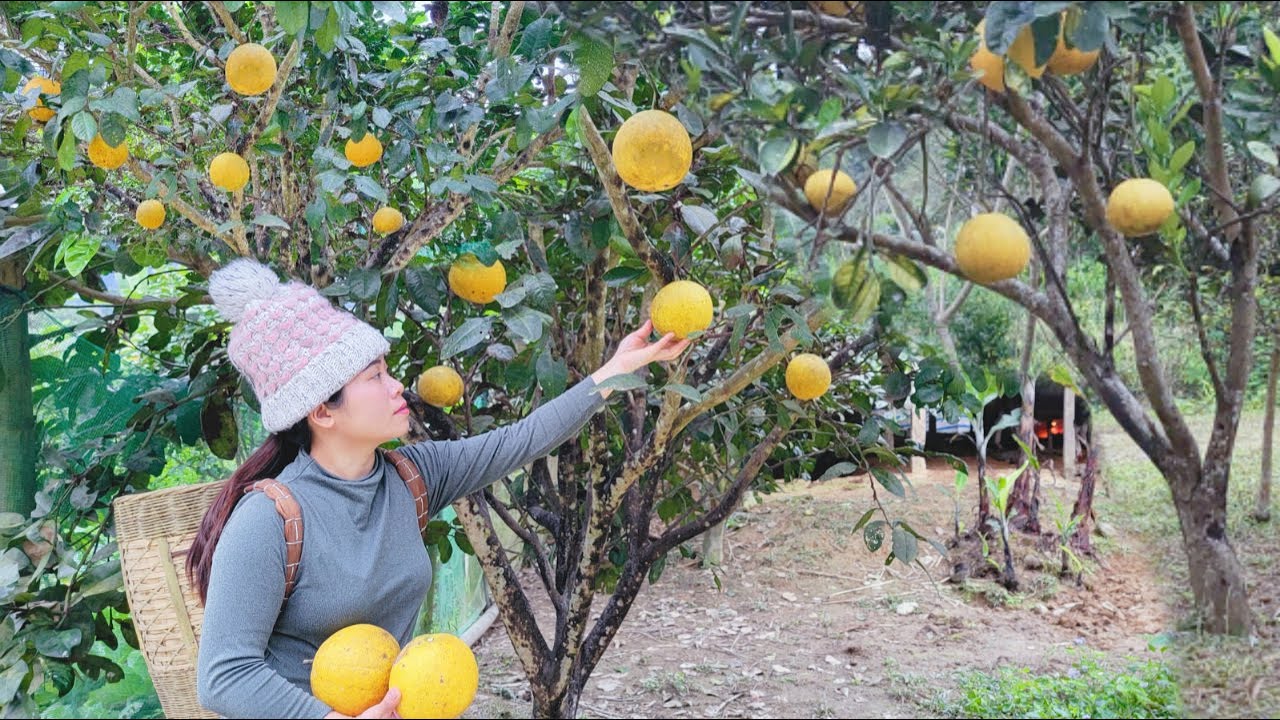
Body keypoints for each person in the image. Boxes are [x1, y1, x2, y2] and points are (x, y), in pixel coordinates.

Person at [188, 258, 689, 718]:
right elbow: (223, 676)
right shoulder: (268, 520)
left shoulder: (413, 476)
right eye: (375, 377)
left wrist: (617, 370)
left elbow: (521, 440)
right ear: (322, 411)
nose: (397, 387)